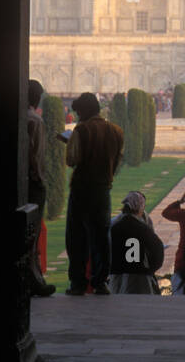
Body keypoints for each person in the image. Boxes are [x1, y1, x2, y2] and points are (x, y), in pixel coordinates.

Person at [62, 92, 124, 296]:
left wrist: (69, 143)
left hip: (82, 189)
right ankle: (101, 282)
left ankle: (78, 283)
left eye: (79, 112)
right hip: (103, 189)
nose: (78, 115)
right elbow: (116, 160)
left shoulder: (82, 130)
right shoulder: (115, 131)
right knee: (101, 237)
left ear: (85, 111)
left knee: (77, 236)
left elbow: (72, 160)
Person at [26, 80, 55, 296]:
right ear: (37, 98)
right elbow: (36, 156)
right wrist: (39, 180)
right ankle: (34, 280)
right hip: (32, 184)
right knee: (32, 234)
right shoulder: (34, 120)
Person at [110, 191, 164, 294]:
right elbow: (158, 251)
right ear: (140, 208)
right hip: (139, 278)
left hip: (117, 277)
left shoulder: (114, 227)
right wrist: (149, 270)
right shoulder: (143, 228)